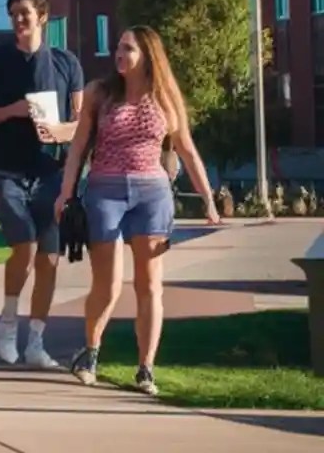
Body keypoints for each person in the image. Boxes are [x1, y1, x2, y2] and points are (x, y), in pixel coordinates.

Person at [55, 25, 221, 396]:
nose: (119, 54)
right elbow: (79, 146)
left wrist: (208, 198)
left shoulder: (164, 96)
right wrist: (65, 194)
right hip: (105, 192)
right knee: (108, 284)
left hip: (152, 194)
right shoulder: (100, 93)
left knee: (149, 284)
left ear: (147, 55)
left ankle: (146, 368)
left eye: (127, 49)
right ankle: (91, 352)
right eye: (118, 47)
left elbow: (187, 150)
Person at [0, 0, 84, 368]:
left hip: (50, 171)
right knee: (25, 247)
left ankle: (36, 340)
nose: (18, 21)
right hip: (8, 171)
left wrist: (61, 132)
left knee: (49, 259)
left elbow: (81, 123)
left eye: (25, 14)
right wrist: (14, 110)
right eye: (13, 14)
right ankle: (7, 323)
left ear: (43, 18)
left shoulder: (67, 64)